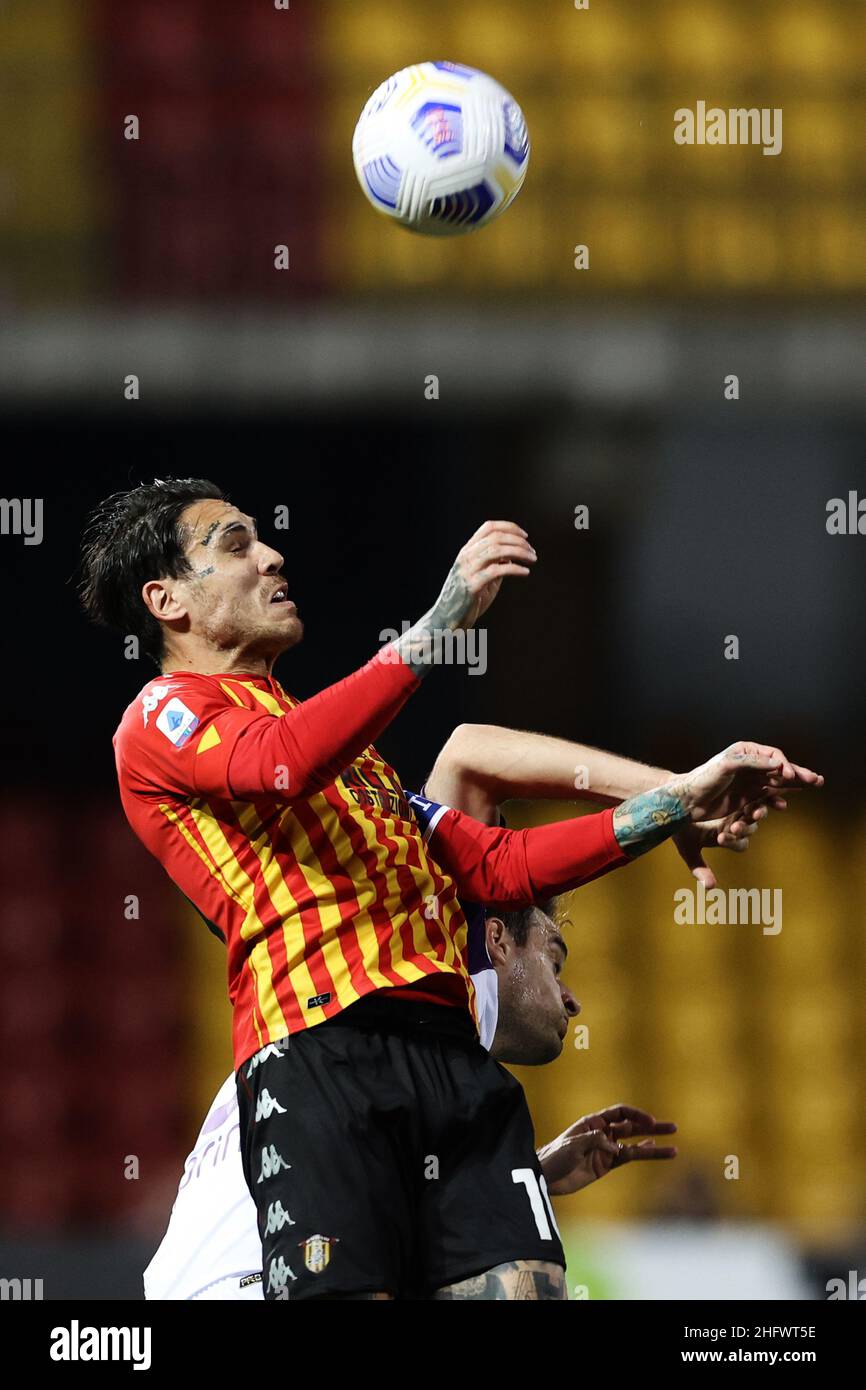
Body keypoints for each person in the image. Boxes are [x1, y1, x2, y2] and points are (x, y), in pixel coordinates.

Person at [81, 478, 821, 1300]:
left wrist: (669, 804)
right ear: (166, 600)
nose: (272, 553)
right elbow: (281, 763)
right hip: (323, 1052)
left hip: (452, 1060)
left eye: (262, 538)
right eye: (234, 544)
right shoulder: (159, 719)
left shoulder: (359, 765)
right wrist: (435, 631)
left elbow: (499, 867)